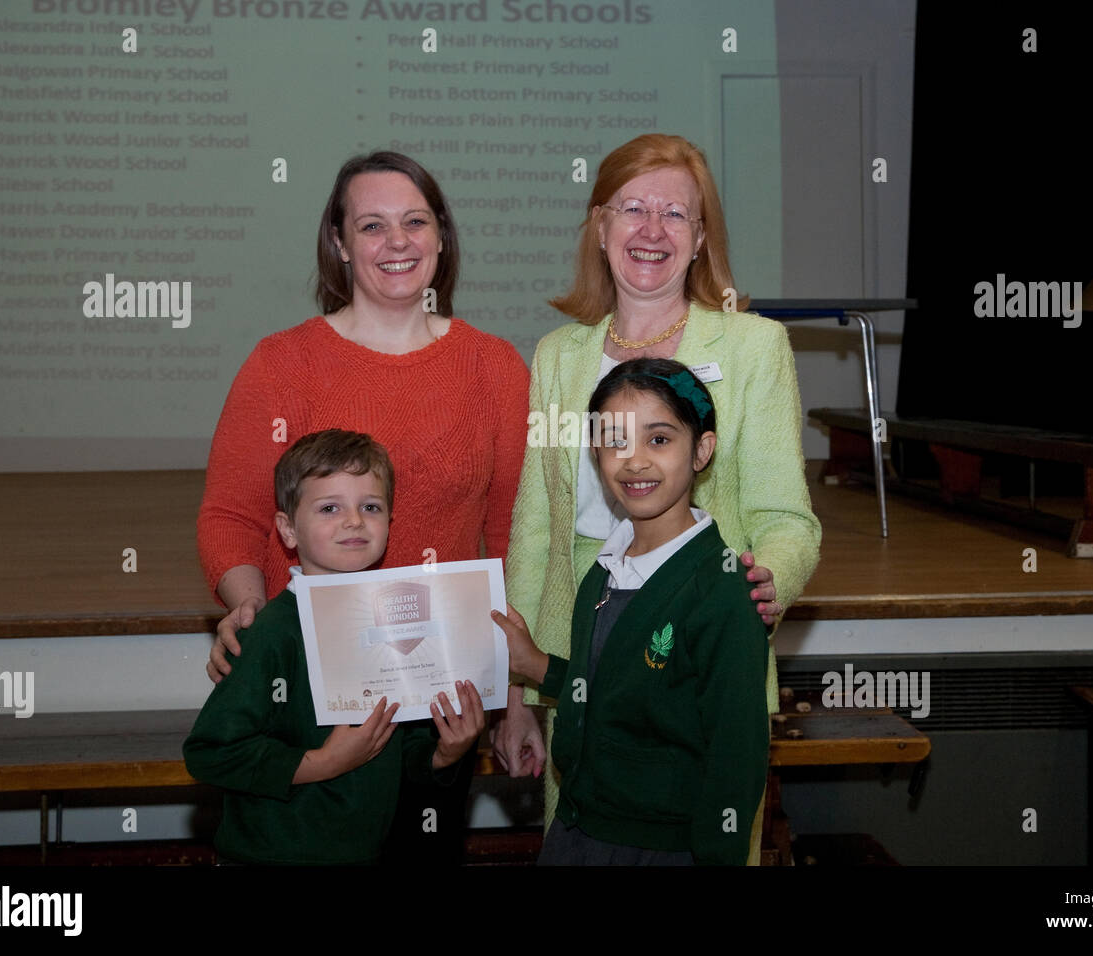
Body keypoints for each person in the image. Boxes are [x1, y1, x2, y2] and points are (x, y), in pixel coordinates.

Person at [494, 133, 821, 861]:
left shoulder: (752, 348)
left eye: (676, 214)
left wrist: (771, 578)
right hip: (570, 659)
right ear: (600, 226)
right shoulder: (557, 356)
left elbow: (785, 517)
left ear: (701, 239)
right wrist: (516, 693)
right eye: (632, 208)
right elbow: (535, 527)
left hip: (700, 650)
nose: (651, 230)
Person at [197, 152, 529, 863]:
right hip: (309, 699)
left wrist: (514, 696)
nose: (397, 242)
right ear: (340, 244)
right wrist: (249, 609)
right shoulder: (281, 364)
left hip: (442, 698)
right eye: (372, 225)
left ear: (441, 237)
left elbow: (507, 536)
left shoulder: (495, 367)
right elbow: (231, 516)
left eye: (415, 222)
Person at [493, 360, 769, 865]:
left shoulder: (722, 591)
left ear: (701, 450)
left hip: (661, 849)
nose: (634, 460)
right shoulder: (603, 571)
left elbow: (737, 759)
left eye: (659, 440)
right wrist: (535, 665)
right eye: (614, 440)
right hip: (577, 833)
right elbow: (614, 694)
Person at [184, 429, 486, 864]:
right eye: (330, 508)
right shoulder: (272, 632)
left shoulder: (398, 623)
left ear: (390, 522)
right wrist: (321, 763)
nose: (353, 521)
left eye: (370, 507)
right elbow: (210, 753)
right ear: (288, 530)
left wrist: (445, 752)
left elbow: (404, 747)